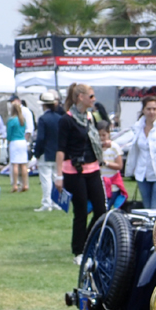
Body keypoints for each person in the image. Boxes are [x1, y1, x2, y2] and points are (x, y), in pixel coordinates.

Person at [55, 82, 106, 255]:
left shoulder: (91, 117)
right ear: (80, 97)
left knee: (101, 210)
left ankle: (88, 242)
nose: (94, 99)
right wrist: (58, 176)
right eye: (91, 96)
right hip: (74, 171)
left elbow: (93, 139)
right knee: (81, 212)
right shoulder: (66, 120)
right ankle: (78, 250)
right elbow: (60, 149)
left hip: (93, 168)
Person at [117, 96, 156, 211]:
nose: (151, 112)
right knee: (147, 207)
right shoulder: (138, 126)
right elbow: (125, 140)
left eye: (154, 109)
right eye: (148, 109)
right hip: (142, 174)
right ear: (143, 110)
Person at [32, 90, 63, 211]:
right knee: (56, 177)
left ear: (43, 105)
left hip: (46, 152)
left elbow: (40, 138)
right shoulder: (60, 118)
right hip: (58, 152)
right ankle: (56, 202)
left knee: (45, 178)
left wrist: (37, 152)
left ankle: (46, 202)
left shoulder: (43, 119)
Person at [6, 97, 30, 192]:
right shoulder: (23, 120)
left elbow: (9, 133)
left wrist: (8, 140)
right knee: (23, 164)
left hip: (14, 141)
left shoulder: (11, 120)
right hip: (22, 141)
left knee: (15, 164)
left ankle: (15, 184)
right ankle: (25, 184)